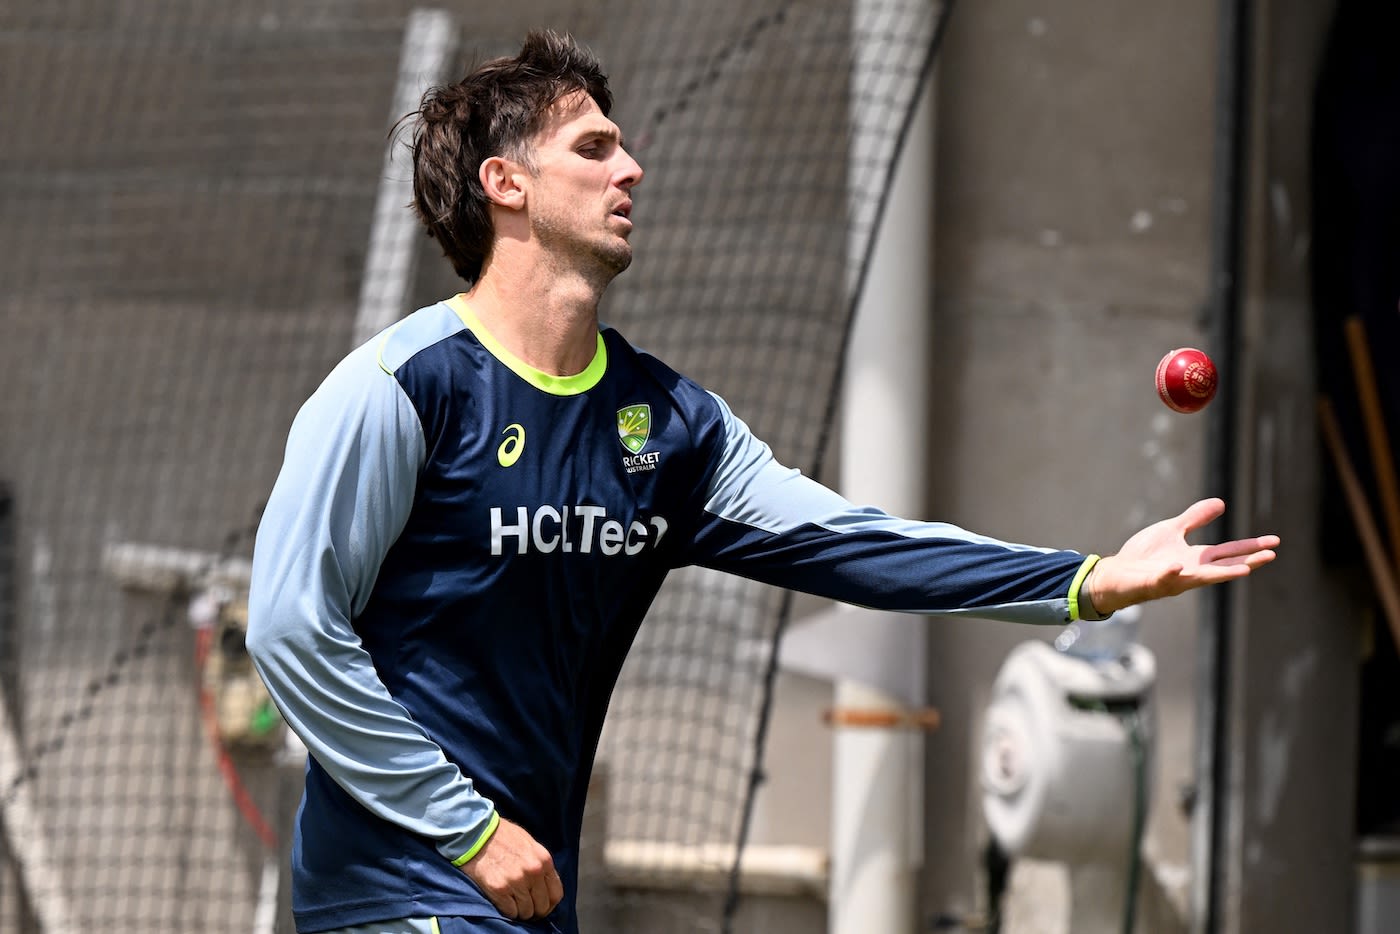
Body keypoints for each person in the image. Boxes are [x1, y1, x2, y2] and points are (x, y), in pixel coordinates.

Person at [245, 28, 1280, 934]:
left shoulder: (671, 424)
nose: (632, 169)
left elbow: (853, 542)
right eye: (595, 147)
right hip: (401, 886)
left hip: (521, 893)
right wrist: (462, 827)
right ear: (505, 184)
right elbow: (291, 627)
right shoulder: (398, 388)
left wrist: (1087, 579)